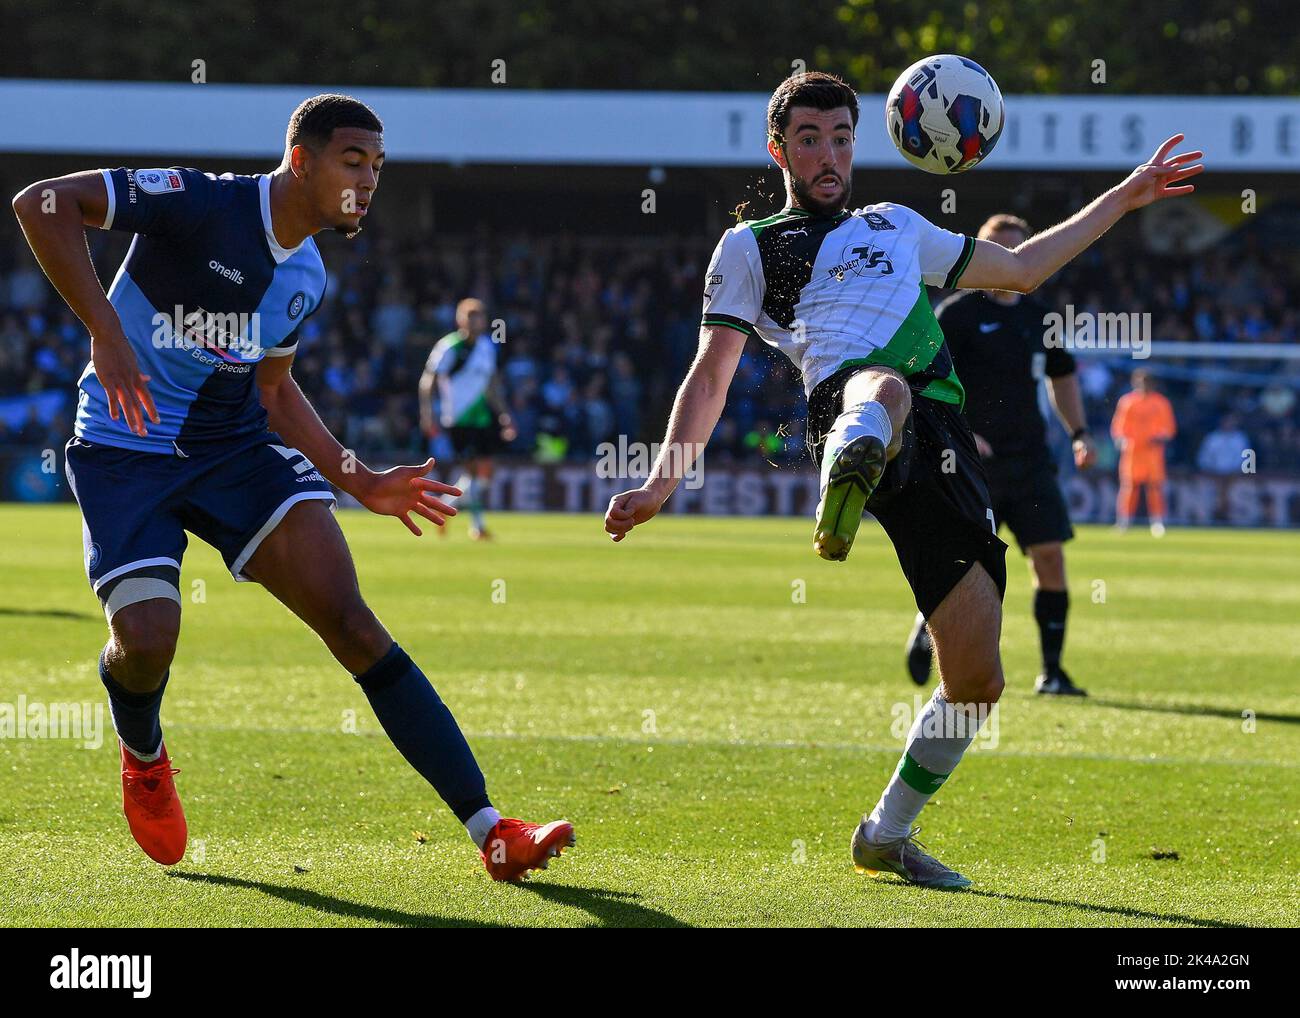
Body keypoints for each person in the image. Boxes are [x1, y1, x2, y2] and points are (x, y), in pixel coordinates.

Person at [603, 71, 1201, 888]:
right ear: (778, 149)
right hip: (851, 409)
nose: (827, 155)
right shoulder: (749, 245)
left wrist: (1125, 197)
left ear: (859, 142)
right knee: (879, 386)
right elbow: (711, 375)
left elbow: (1022, 270)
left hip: (946, 442)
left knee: (977, 678)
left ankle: (885, 833)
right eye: (808, 139)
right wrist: (660, 483)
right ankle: (850, 462)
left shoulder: (897, 223)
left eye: (841, 138)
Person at [11, 93, 572, 881]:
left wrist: (361, 478)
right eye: (353, 160)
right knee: (145, 643)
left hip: (233, 450)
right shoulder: (202, 200)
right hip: (123, 446)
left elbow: (273, 391)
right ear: (300, 160)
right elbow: (40, 203)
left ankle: (492, 830)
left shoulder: (306, 273)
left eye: (378, 165)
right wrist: (104, 330)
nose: (369, 179)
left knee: (350, 619)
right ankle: (143, 752)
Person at [903, 214, 1095, 697]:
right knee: (964, 566)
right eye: (997, 249)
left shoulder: (1040, 317)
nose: (1007, 259)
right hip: (971, 461)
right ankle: (928, 631)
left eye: (1016, 249)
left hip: (1030, 460)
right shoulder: (957, 314)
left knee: (1049, 559)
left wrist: (1080, 432)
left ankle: (1052, 672)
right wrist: (963, 432)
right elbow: (926, 381)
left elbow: (1062, 376)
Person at [419, 298, 516, 540]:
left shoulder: (486, 347)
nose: (475, 322)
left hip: (483, 417)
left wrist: (504, 415)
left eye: (479, 317)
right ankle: (478, 526)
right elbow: (428, 380)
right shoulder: (449, 346)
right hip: (458, 417)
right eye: (470, 317)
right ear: (460, 320)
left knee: (484, 472)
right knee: (473, 470)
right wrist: (427, 412)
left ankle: (443, 506)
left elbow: (491, 384)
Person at [1111, 368, 1177, 536]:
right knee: (1129, 487)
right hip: (1132, 451)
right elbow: (1118, 426)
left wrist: (1160, 437)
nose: (1143, 384)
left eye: (1146, 381)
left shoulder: (1161, 402)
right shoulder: (1127, 402)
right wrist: (1121, 439)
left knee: (1154, 487)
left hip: (1152, 452)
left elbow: (1168, 428)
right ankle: (1123, 521)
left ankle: (1157, 521)